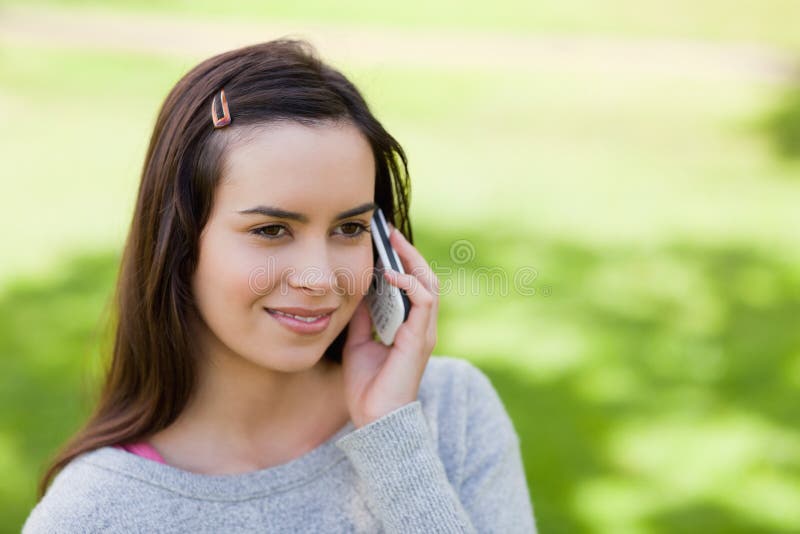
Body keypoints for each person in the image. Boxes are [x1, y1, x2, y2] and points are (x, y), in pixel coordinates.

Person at [22, 38, 537, 533]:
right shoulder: (94, 515)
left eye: (350, 228)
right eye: (271, 230)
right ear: (181, 241)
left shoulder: (452, 410)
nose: (319, 280)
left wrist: (393, 441)